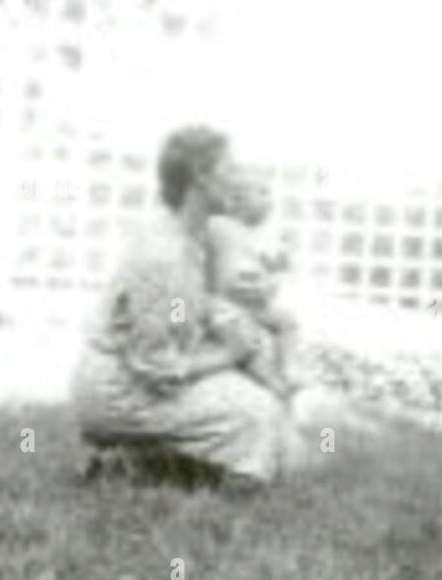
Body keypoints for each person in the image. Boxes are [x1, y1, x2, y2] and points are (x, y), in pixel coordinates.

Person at [70, 125, 301, 488]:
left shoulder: (194, 234)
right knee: (259, 416)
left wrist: (240, 308)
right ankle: (132, 467)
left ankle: (141, 462)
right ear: (201, 177)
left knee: (267, 415)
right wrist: (229, 354)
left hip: (146, 371)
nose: (239, 181)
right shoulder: (165, 254)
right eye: (231, 169)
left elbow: (183, 308)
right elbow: (156, 369)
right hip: (120, 390)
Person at [203, 164, 300, 403]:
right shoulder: (219, 226)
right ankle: (274, 384)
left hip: (249, 302)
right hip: (224, 303)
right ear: (234, 201)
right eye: (263, 193)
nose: (271, 202)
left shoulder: (249, 234)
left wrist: (278, 263)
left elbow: (263, 263)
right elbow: (223, 269)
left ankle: (287, 369)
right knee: (246, 345)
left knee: (287, 321)